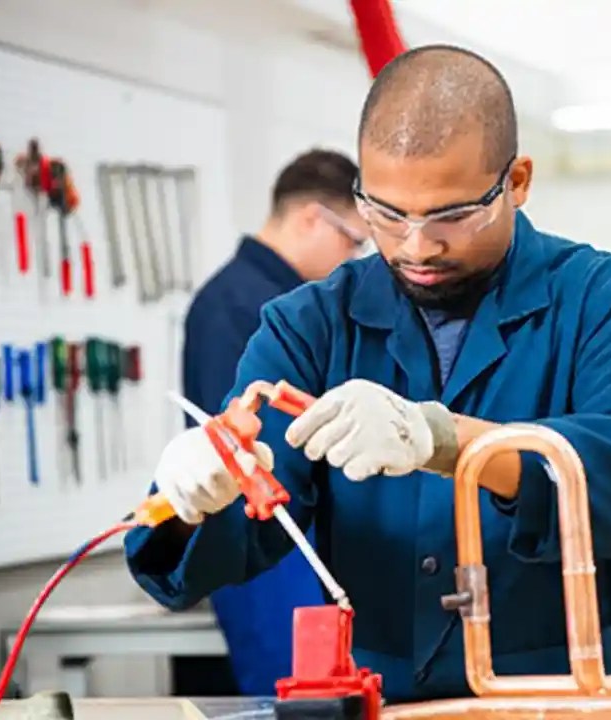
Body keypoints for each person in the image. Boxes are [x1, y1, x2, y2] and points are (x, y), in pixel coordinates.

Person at [124, 44, 611, 704]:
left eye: (451, 214)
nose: (417, 246)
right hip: (374, 700)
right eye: (386, 214)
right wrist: (192, 500)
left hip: (557, 696)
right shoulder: (308, 324)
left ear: (517, 181)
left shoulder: (606, 299)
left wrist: (444, 439)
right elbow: (238, 528)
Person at [179, 149, 369, 696]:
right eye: (352, 241)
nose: (352, 259)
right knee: (289, 695)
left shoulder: (290, 302)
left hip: (300, 533)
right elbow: (243, 444)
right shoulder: (234, 307)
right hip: (261, 541)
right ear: (312, 217)